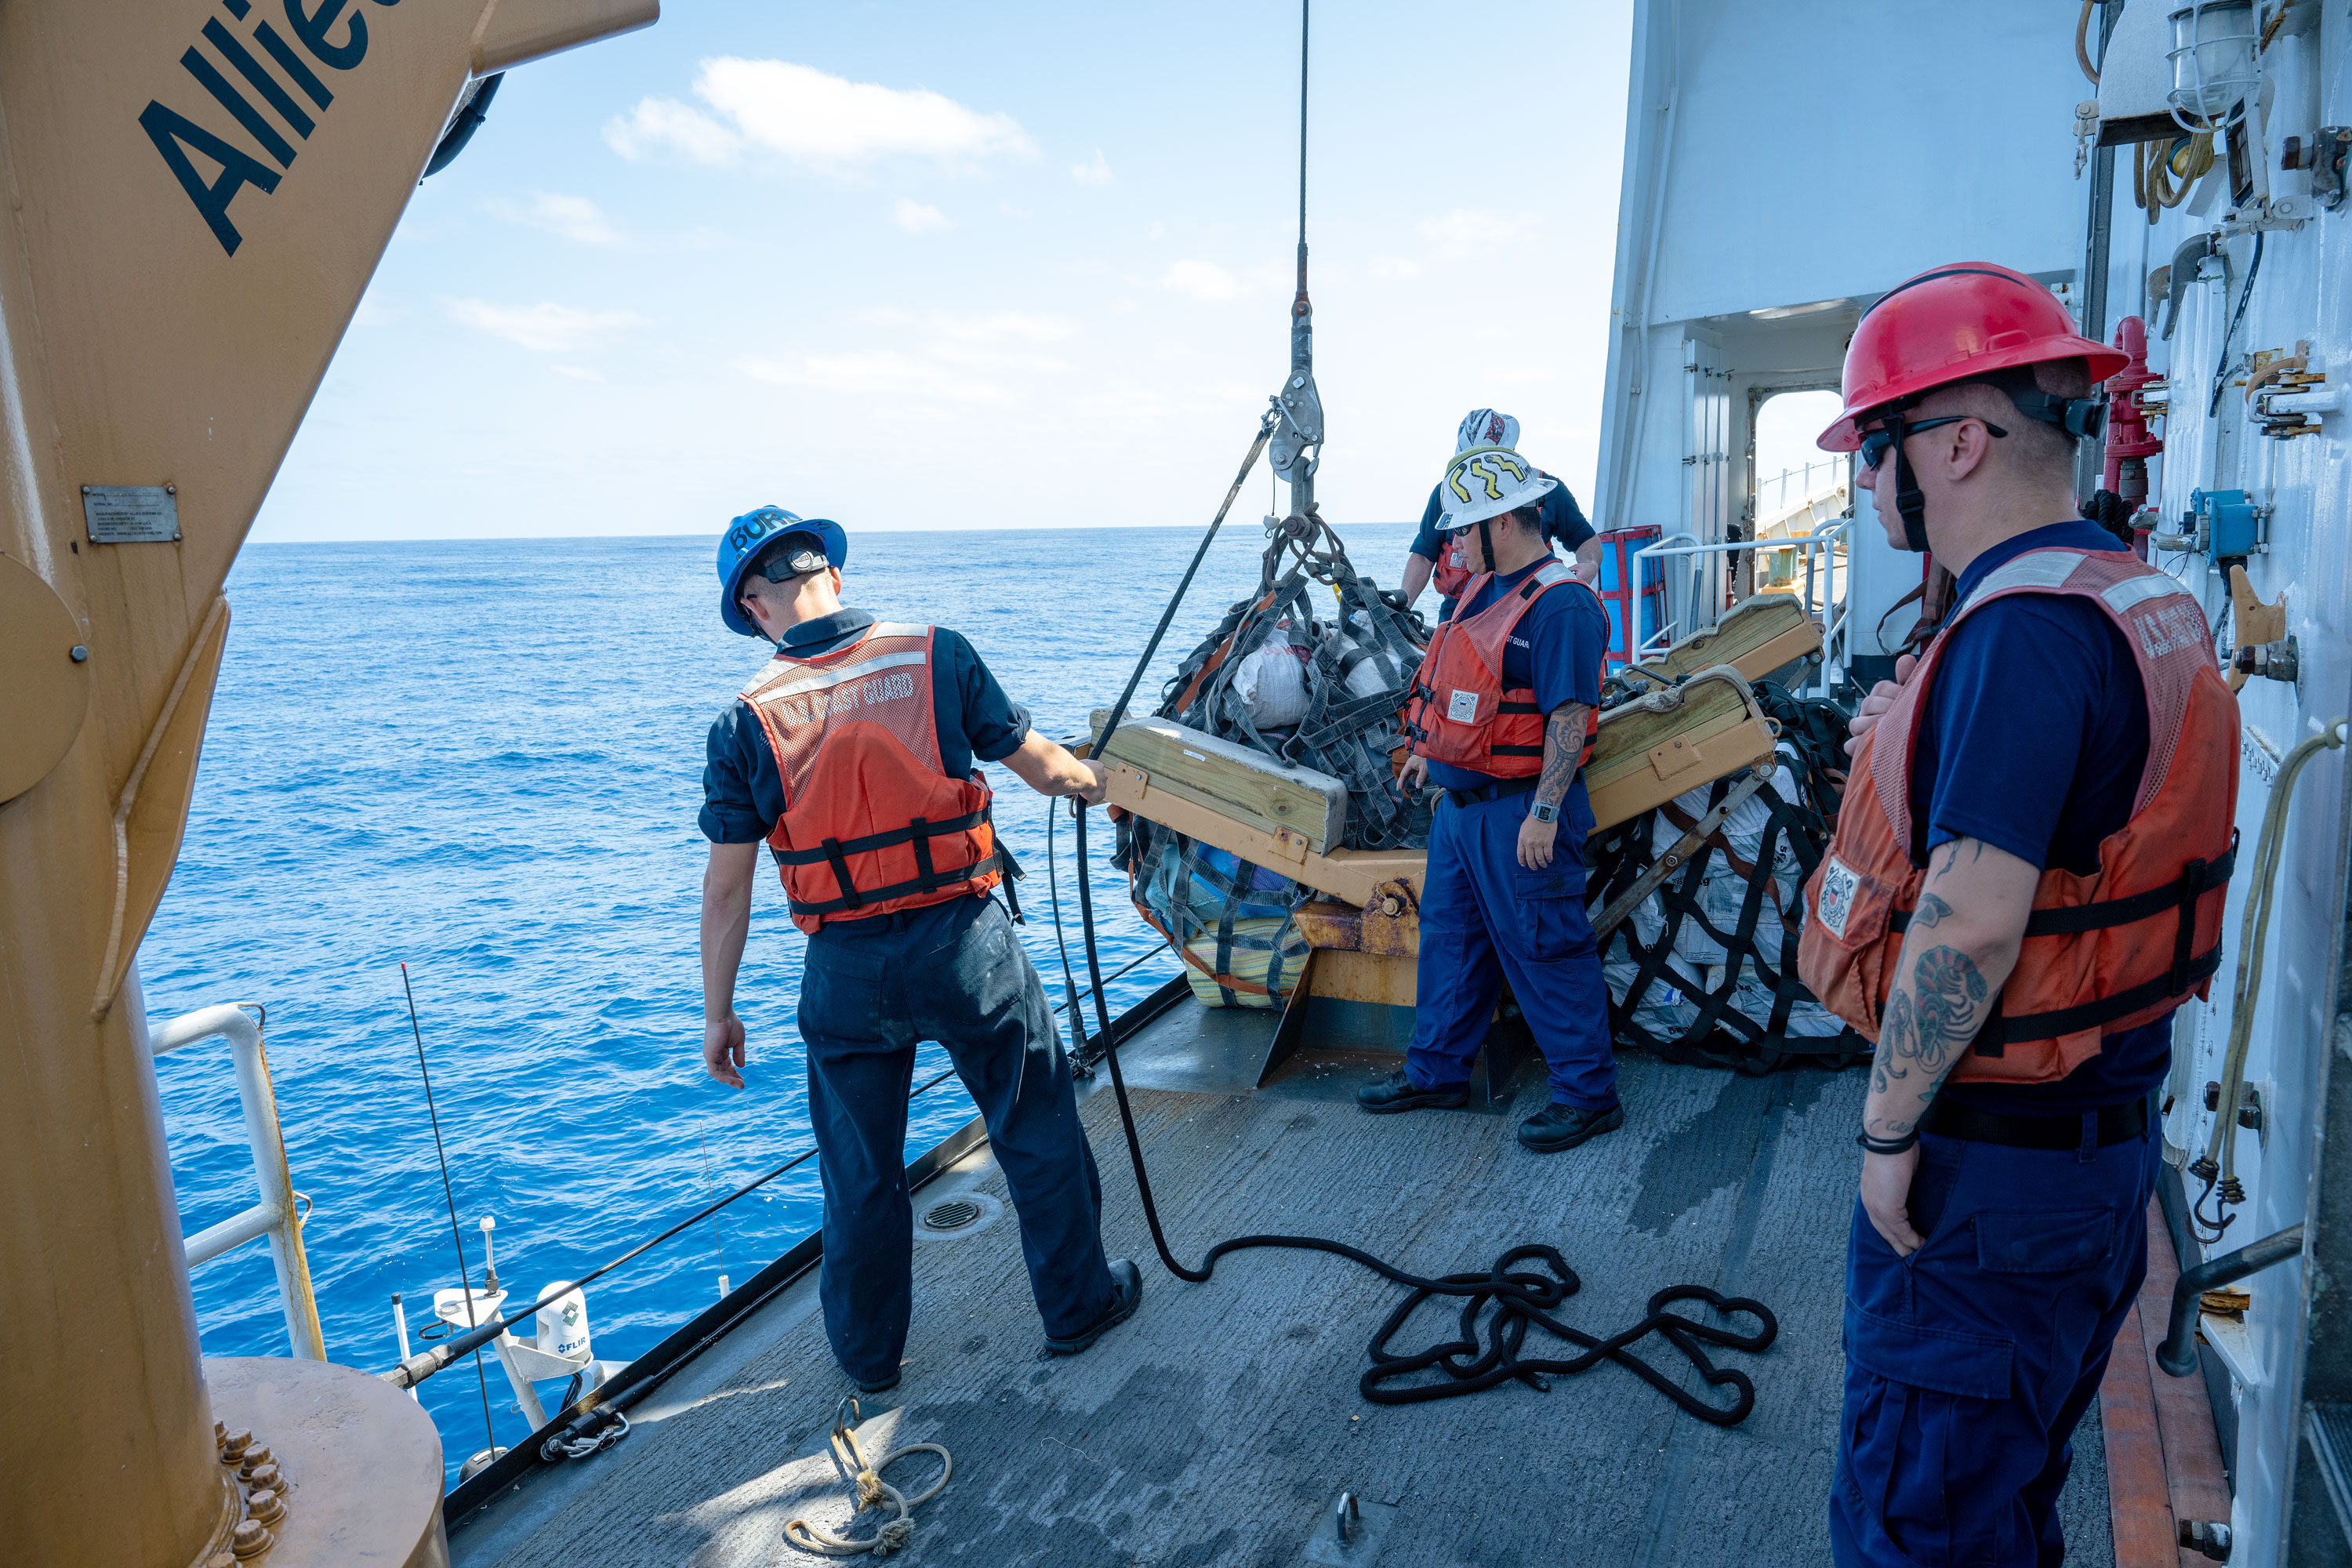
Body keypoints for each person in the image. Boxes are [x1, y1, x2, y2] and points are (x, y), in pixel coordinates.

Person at [1797, 263, 2238, 1566]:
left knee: (1920, 1525)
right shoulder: (2126, 594)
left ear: (1959, 443)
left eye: (1879, 450)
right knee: (2005, 1502)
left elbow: (1975, 924)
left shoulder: (2019, 636)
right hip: (2093, 1152)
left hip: (1987, 1178)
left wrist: (1889, 1133)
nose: (1873, 482)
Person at [696, 505, 1143, 1393]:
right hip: (966, 945)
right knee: (1035, 1119)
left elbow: (727, 888)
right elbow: (1046, 768)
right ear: (833, 572)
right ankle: (1076, 1308)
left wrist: (718, 1011)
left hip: (846, 971)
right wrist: (1098, 783)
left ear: (754, 607)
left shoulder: (746, 719)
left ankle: (869, 1361)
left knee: (860, 1176)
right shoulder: (934, 653)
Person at [1358, 445, 1623, 1153]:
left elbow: (1570, 718)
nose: (1450, 545)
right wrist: (1423, 752)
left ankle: (1588, 1095)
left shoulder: (1561, 604)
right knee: (1451, 944)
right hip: (1461, 814)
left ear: (1501, 523)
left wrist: (1543, 811)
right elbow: (1458, 689)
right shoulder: (1474, 591)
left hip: (1519, 814)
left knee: (1545, 949)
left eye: (1460, 531)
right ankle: (1436, 1072)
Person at [1399, 408, 1602, 619]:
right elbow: (1423, 556)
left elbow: (1584, 538)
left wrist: (1590, 565)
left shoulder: (1545, 491)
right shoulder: (1448, 494)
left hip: (1523, 610)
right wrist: (1401, 609)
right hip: (1459, 614)